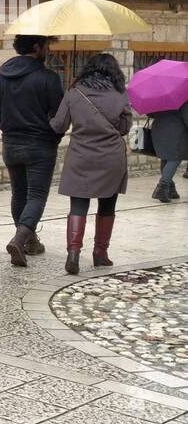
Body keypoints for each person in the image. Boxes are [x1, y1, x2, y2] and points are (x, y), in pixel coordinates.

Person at [49, 54, 132, 275]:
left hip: (80, 157)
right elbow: (124, 127)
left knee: (78, 206)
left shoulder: (74, 92)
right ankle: (100, 254)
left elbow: (59, 125)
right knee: (107, 205)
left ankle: (74, 254)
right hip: (111, 158)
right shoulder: (120, 94)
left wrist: (50, 117)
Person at [0, 35, 64, 267]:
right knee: (37, 195)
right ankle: (20, 240)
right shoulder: (49, 78)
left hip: (11, 144)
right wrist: (53, 135)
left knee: (19, 194)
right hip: (40, 145)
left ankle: (29, 242)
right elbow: (60, 116)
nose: (49, 50)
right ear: (37, 47)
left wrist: (10, 128)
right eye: (47, 45)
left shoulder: (0, 77)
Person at [150, 98, 188, 203]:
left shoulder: (157, 96)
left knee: (166, 158)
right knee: (175, 158)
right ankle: (162, 188)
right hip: (176, 132)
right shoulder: (183, 97)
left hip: (158, 130)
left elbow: (151, 114)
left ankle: (171, 189)